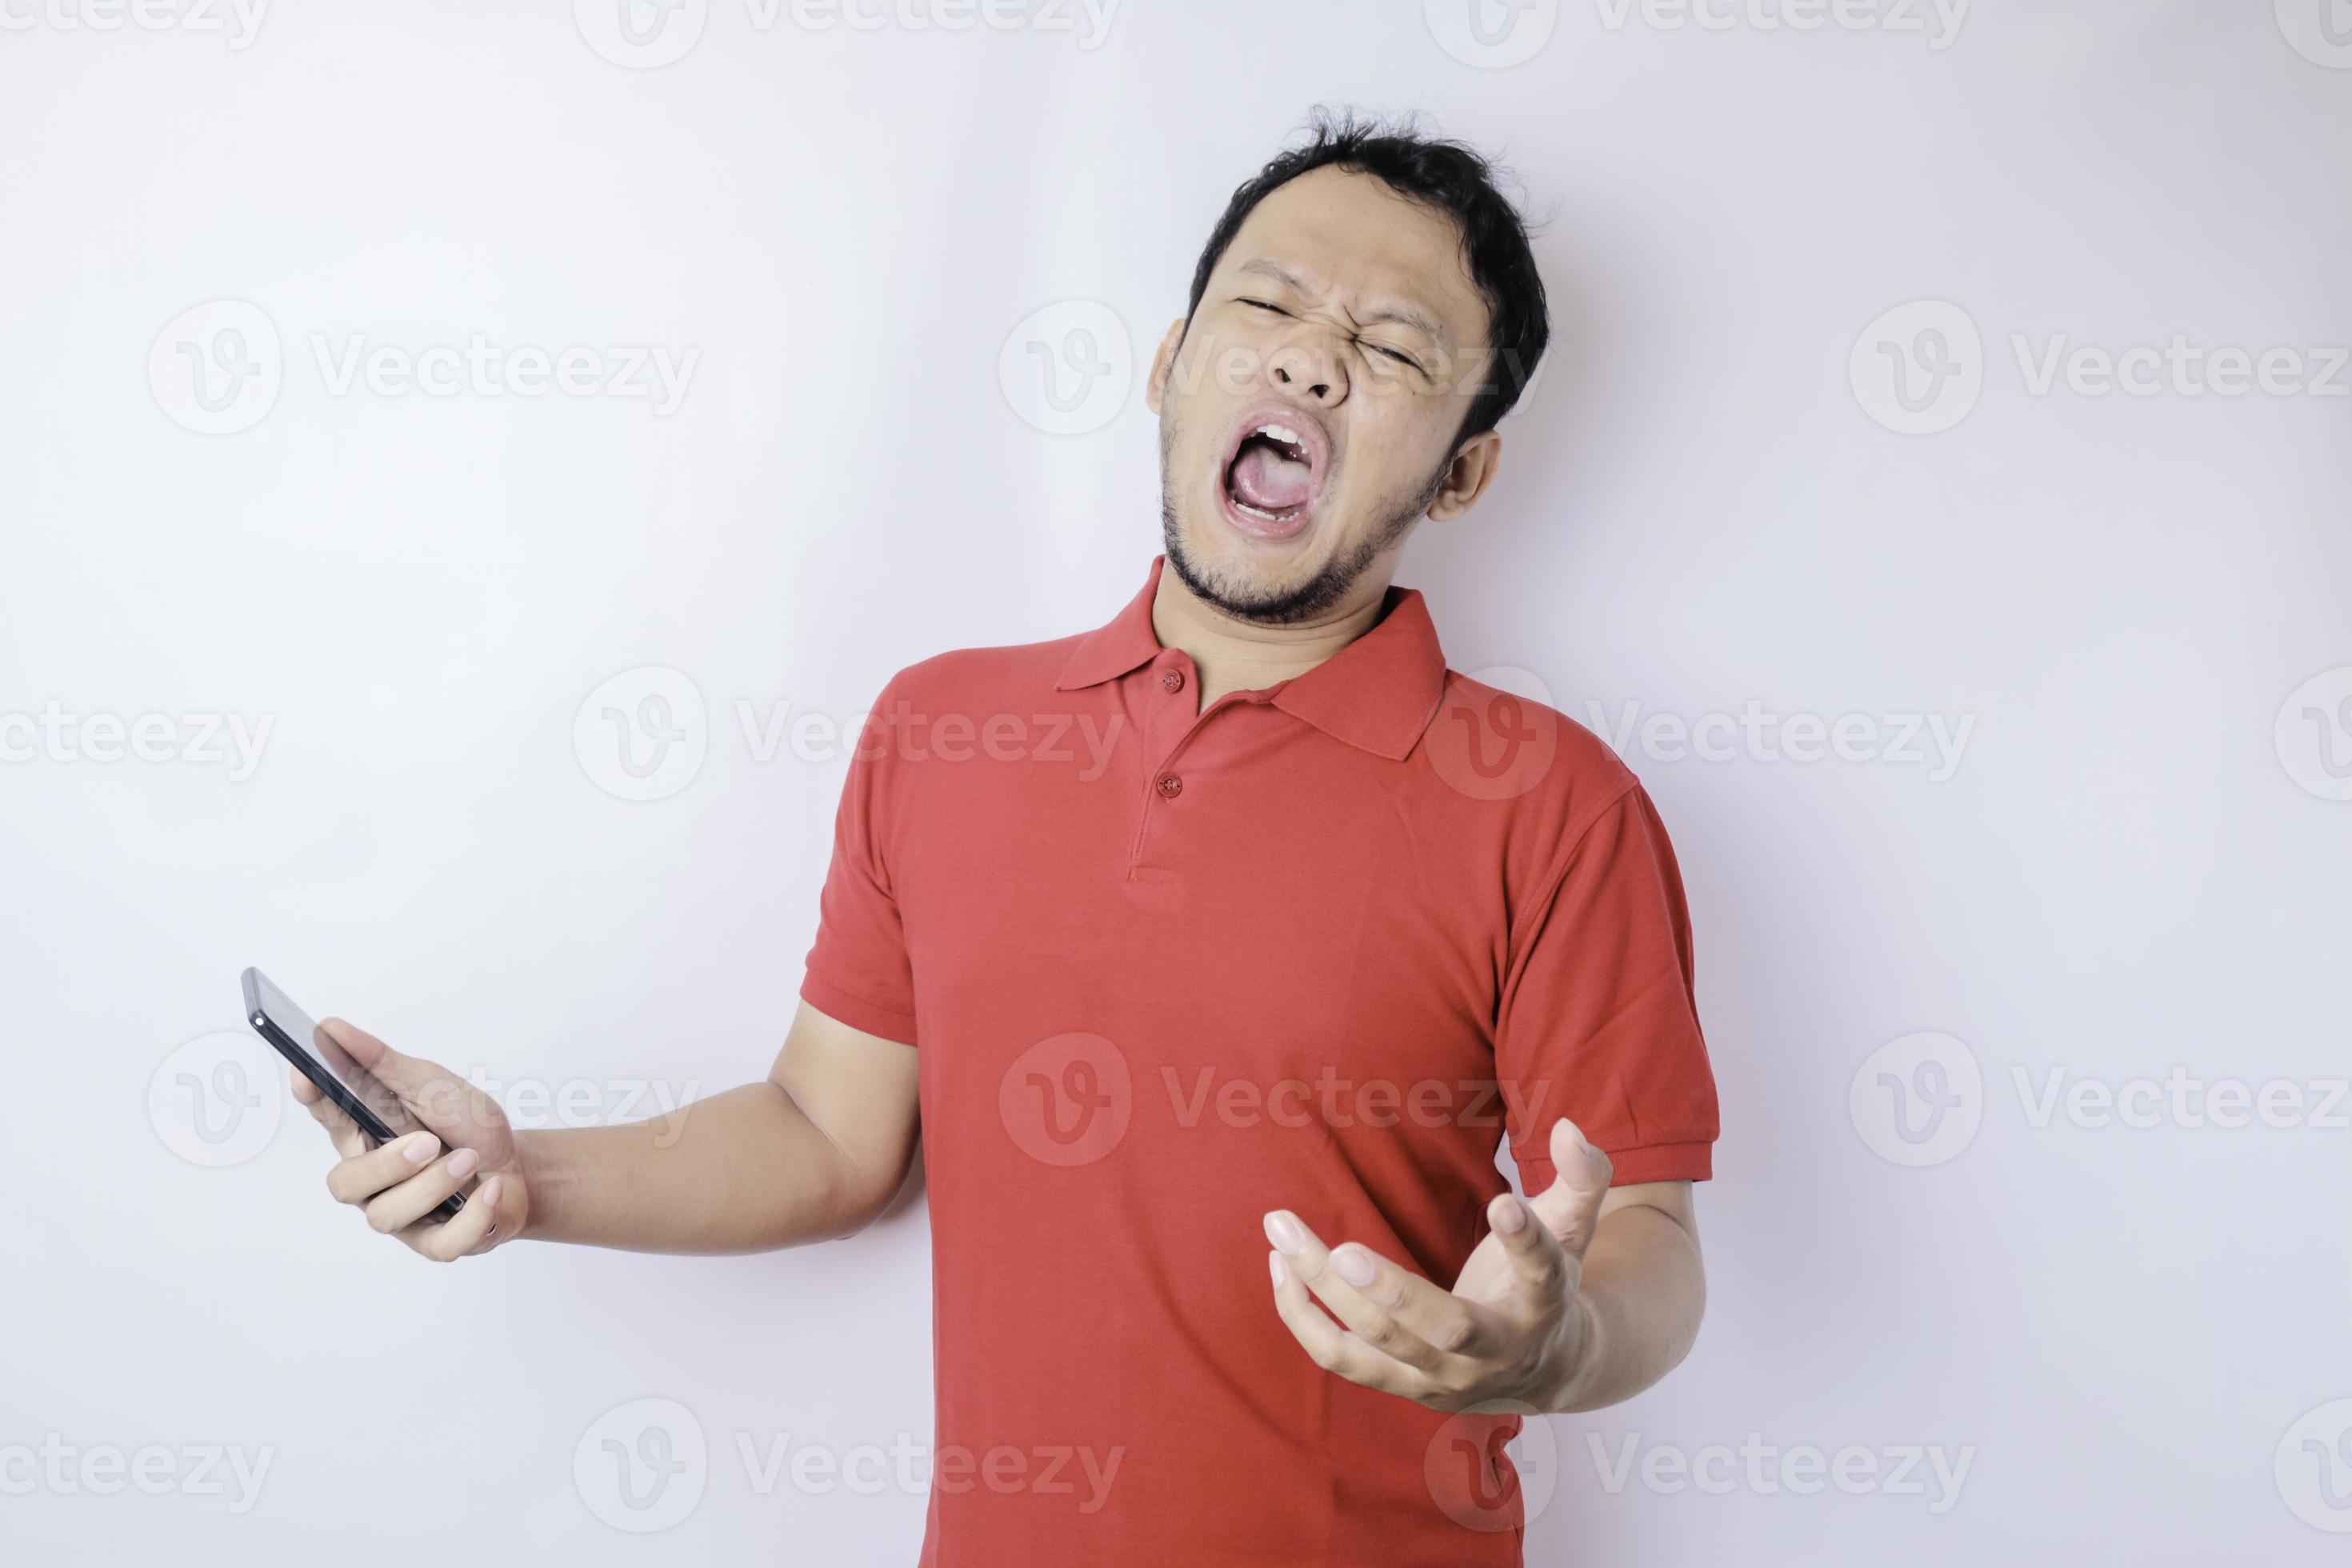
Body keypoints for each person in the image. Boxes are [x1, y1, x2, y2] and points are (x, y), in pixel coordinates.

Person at [294, 110, 1722, 1566]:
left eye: (1395, 347)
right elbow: (829, 1137)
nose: (1308, 358)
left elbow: (1646, 1243)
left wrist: (1547, 1348)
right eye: (1268, 304)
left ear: (1466, 470)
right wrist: (521, 1176)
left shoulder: (1552, 803)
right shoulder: (942, 728)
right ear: (1173, 367)